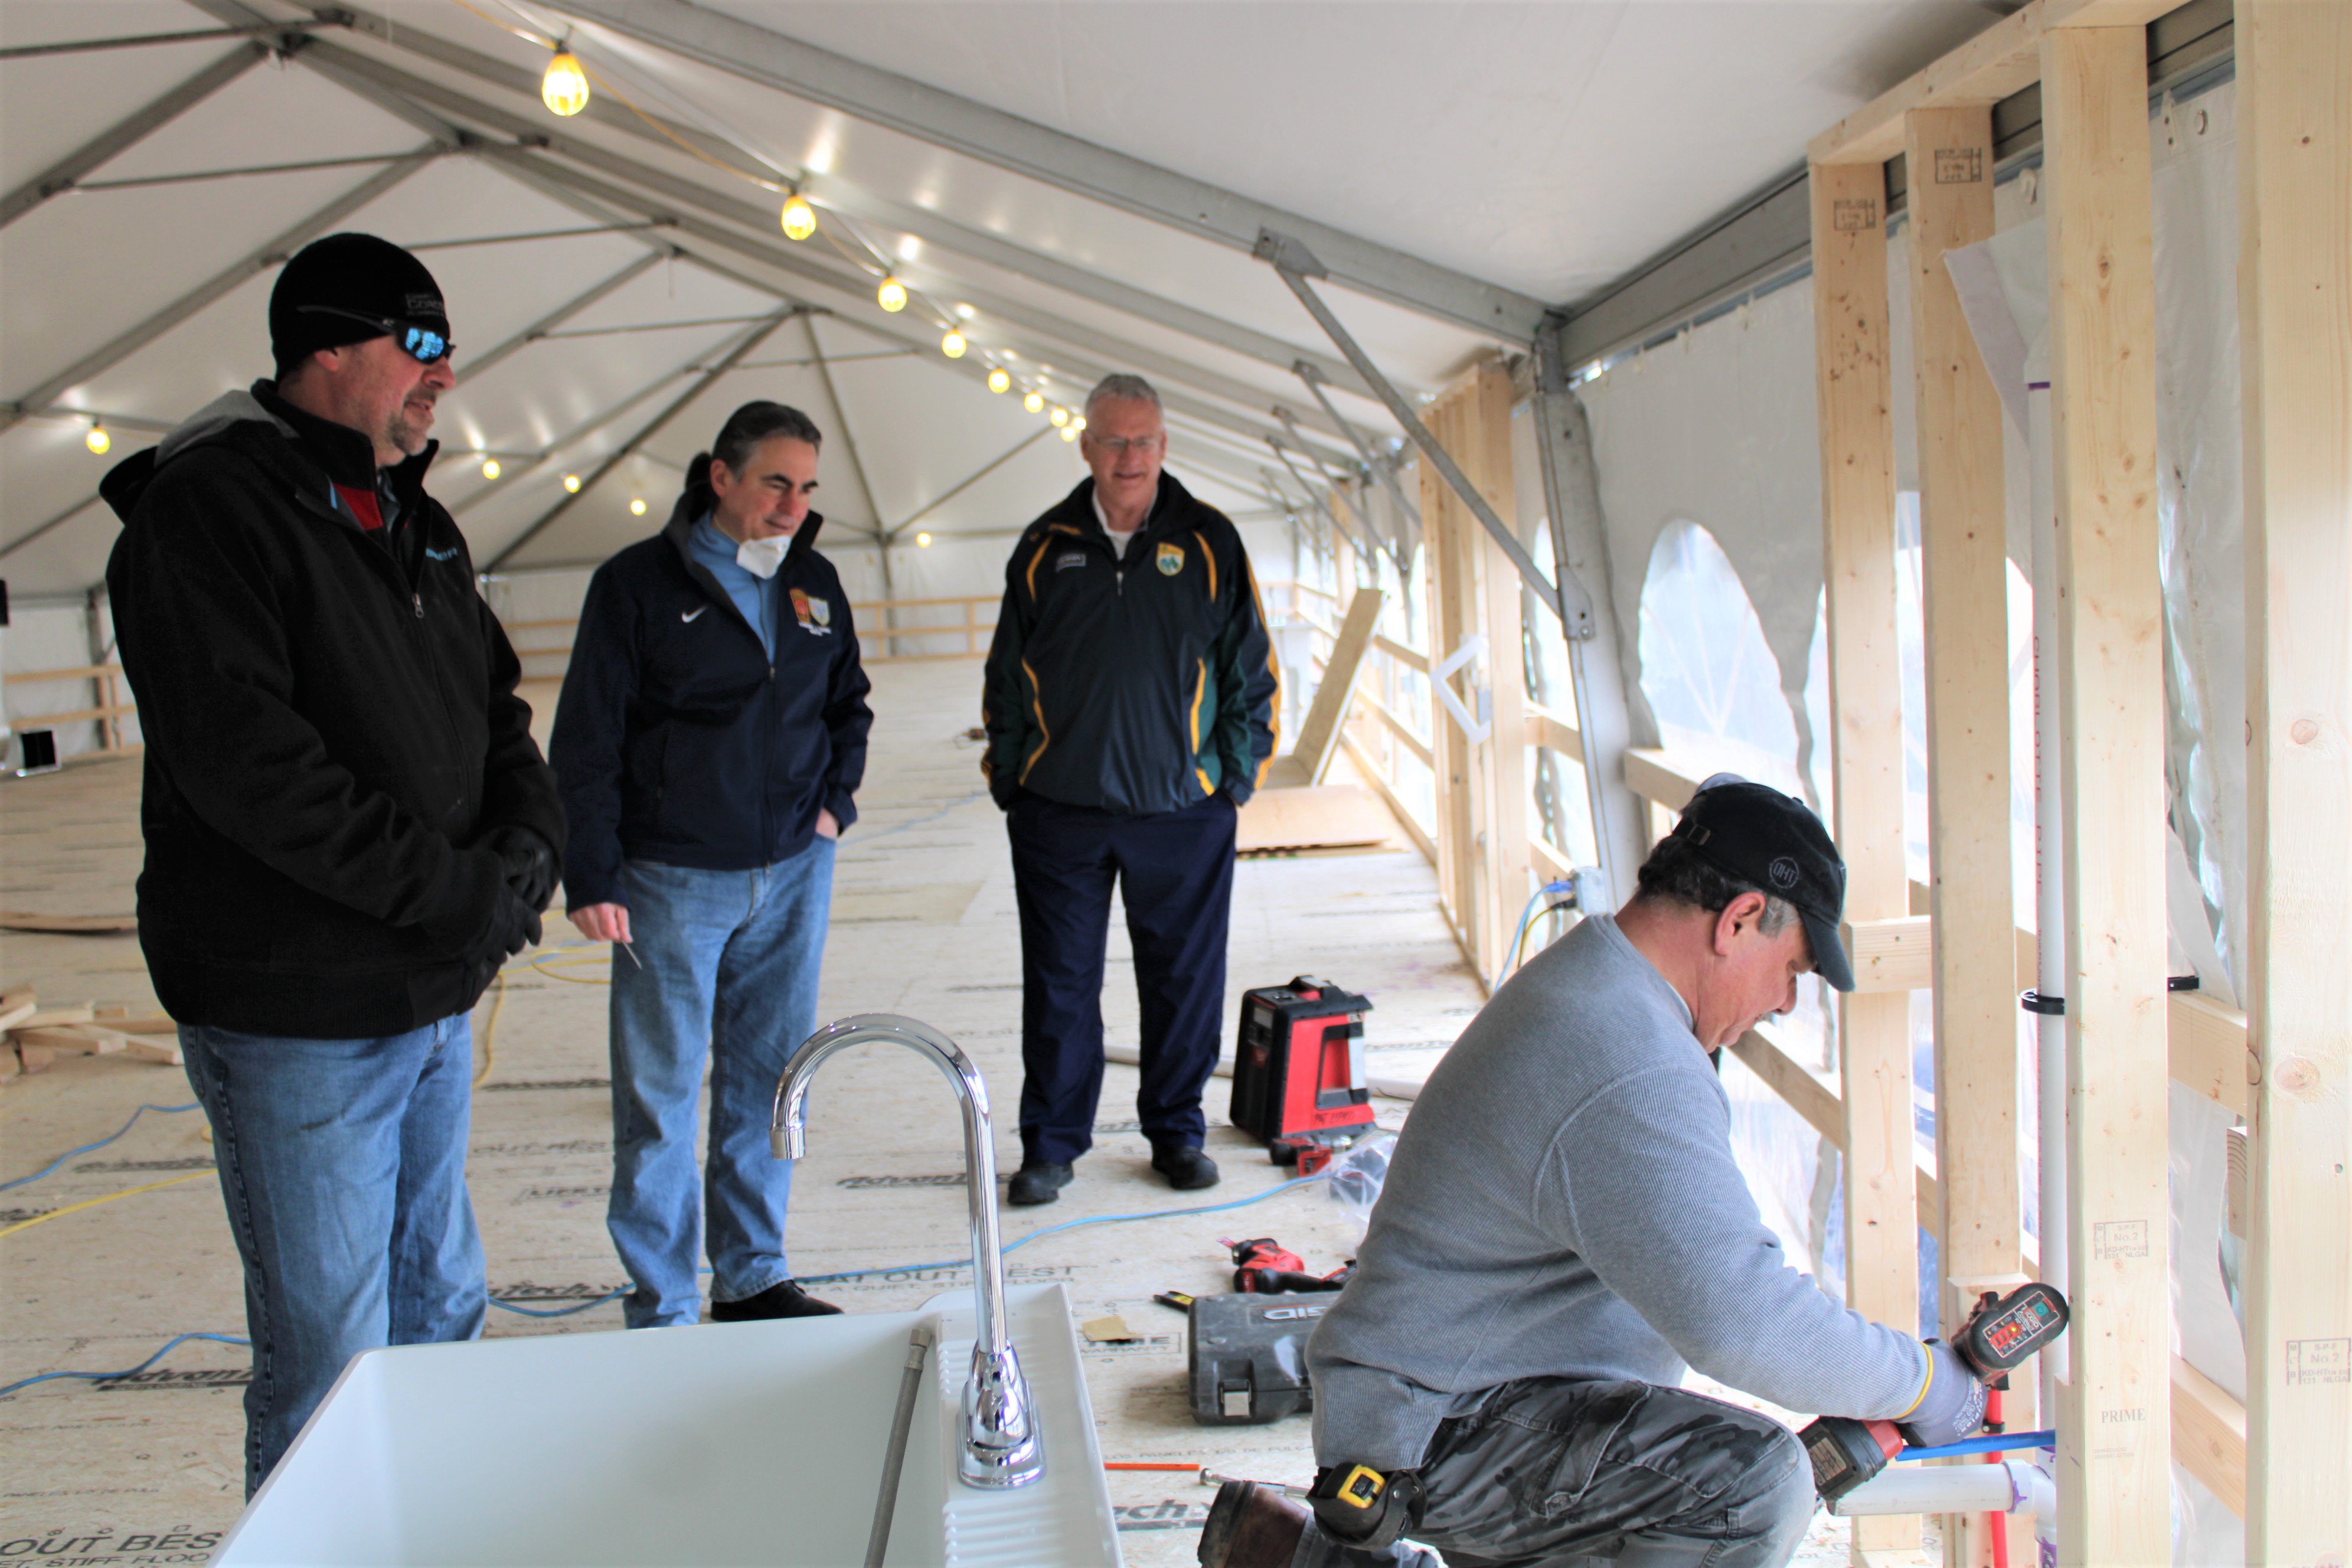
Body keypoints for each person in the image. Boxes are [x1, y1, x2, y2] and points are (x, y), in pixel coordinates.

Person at [1197, 778, 1994, 1568]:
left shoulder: (1601, 989)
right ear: (1742, 919)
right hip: (1443, 1429)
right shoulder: (1628, 1058)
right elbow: (1741, 1319)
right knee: (1748, 1487)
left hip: (1463, 1394)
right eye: (1795, 968)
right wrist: (1924, 1383)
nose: (1786, 1002)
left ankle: (1305, 1556)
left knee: (1666, 1478)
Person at [101, 232, 563, 1494]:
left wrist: (528, 844)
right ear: (325, 347)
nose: (444, 377)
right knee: (330, 1362)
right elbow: (255, 773)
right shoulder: (210, 511)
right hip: (299, 1009)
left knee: (440, 1306)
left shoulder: (410, 512)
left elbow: (496, 710)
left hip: (425, 994)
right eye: (420, 347)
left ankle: (437, 1526)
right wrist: (458, 890)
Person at [551, 401, 872, 1329]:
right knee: (659, 1095)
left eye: (807, 487)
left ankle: (752, 1275)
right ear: (720, 477)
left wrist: (832, 806)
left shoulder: (812, 582)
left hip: (793, 869)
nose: (792, 504)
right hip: (672, 876)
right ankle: (662, 1302)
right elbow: (588, 734)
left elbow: (847, 703)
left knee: (770, 1080)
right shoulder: (638, 585)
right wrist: (595, 871)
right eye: (776, 482)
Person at [981, 373, 1280, 1207]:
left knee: (1183, 980)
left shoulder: (1210, 540)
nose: (1129, 456)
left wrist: (1231, 780)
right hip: (1060, 813)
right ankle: (1052, 1145)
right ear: (1085, 444)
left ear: (1164, 444)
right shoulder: (1046, 545)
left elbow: (1250, 671)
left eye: (1144, 440)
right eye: (1113, 440)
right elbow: (1008, 674)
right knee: (1060, 983)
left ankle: (1176, 1134)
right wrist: (1014, 778)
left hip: (1181, 814)